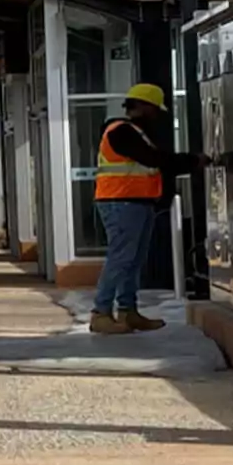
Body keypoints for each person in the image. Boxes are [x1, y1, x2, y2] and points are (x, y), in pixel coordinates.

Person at [91, 82, 186, 336]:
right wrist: (192, 161)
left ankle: (127, 311)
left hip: (137, 202)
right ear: (144, 107)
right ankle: (100, 313)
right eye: (155, 109)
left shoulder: (135, 132)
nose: (157, 115)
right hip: (121, 202)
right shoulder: (121, 132)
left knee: (132, 261)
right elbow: (153, 159)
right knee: (121, 258)